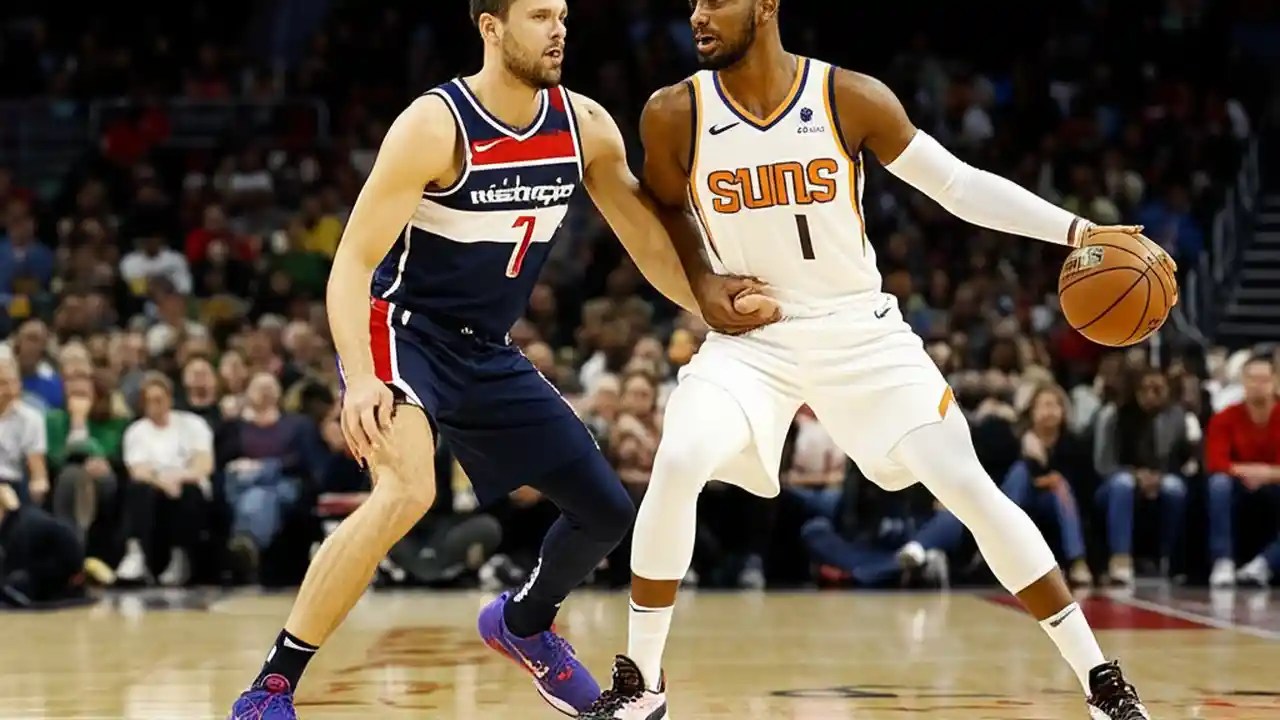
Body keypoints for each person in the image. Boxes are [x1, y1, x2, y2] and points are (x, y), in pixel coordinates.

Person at [583, 2, 1165, 719]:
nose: (698, 15)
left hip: (860, 333)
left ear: (764, 6)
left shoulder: (847, 96)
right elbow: (669, 211)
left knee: (970, 487)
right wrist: (704, 285)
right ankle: (643, 683)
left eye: (716, 0)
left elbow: (956, 185)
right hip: (754, 340)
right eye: (694, 3)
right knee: (677, 462)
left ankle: (1099, 679)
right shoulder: (673, 112)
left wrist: (1079, 229)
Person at [226, 1, 776, 718]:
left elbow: (646, 240)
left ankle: (522, 624)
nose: (559, 30)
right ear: (491, 27)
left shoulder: (583, 125)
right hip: (403, 333)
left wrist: (709, 303)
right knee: (407, 490)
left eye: (566, 15)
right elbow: (352, 262)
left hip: (484, 350)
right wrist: (360, 376)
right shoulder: (436, 124)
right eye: (540, 15)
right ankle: (271, 686)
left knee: (607, 513)